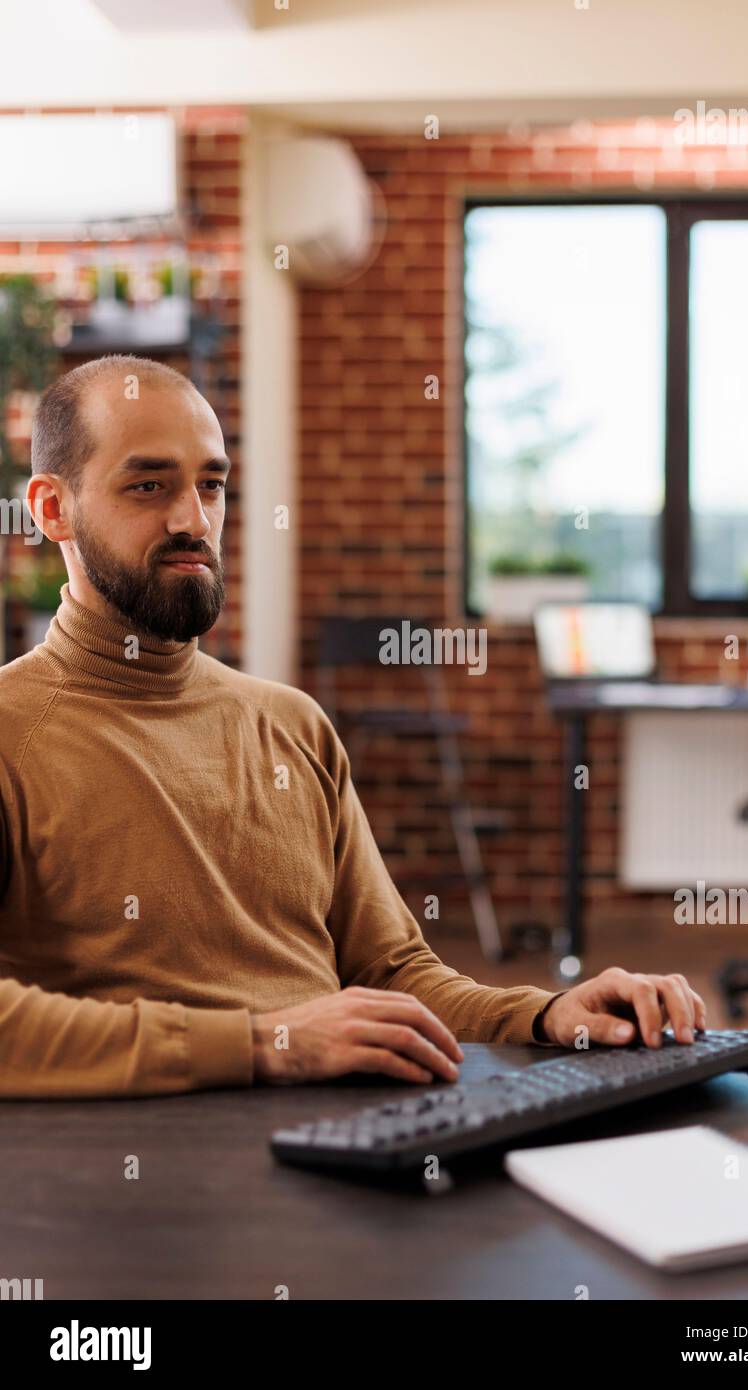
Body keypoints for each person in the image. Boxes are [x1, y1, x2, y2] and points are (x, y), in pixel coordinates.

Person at [0, 354, 707, 1099]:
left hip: (344, 1142)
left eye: (211, 485)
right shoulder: (15, 732)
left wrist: (547, 1014)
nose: (192, 520)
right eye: (148, 486)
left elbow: (392, 974)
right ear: (52, 509)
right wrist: (265, 1044)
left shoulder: (292, 724)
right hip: (147, 1175)